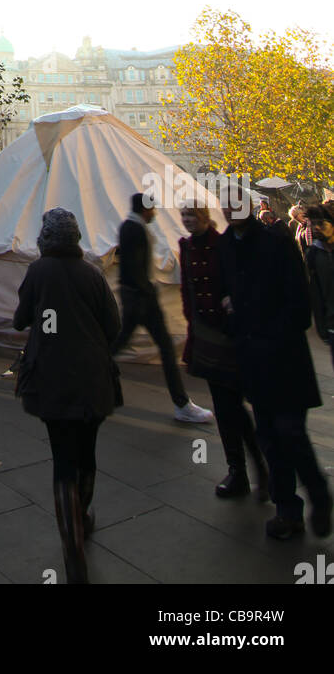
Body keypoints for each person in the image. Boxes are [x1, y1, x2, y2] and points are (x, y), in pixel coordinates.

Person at [13, 208, 122, 585]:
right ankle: (85, 512)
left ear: (46, 238)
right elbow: (114, 325)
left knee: (62, 459)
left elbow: (20, 318)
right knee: (86, 450)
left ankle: (72, 546)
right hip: (92, 378)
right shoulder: (92, 273)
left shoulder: (38, 272)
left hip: (51, 378)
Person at [219, 192, 332, 540]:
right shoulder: (226, 246)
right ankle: (287, 511)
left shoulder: (275, 241)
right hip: (253, 356)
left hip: (283, 355)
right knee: (269, 435)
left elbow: (299, 302)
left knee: (290, 433)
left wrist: (270, 327)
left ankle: (318, 495)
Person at [178, 202, 268, 500]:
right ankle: (240, 471)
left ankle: (257, 469)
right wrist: (193, 324)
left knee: (236, 407)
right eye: (184, 217)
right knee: (226, 407)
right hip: (207, 338)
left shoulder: (224, 245)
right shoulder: (187, 248)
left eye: (192, 216)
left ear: (204, 218)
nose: (187, 221)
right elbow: (187, 291)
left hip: (232, 336)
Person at [111, 191, 213, 425]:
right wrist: (147, 292)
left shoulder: (130, 227)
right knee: (164, 350)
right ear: (145, 210)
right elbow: (134, 269)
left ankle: (88, 382)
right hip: (142, 300)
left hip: (137, 298)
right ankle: (181, 404)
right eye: (152, 209)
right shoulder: (133, 229)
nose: (155, 213)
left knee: (120, 345)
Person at [306, 205, 334, 371]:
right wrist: (321, 326)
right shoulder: (314, 254)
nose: (316, 228)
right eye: (314, 224)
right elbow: (315, 293)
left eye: (321, 224)